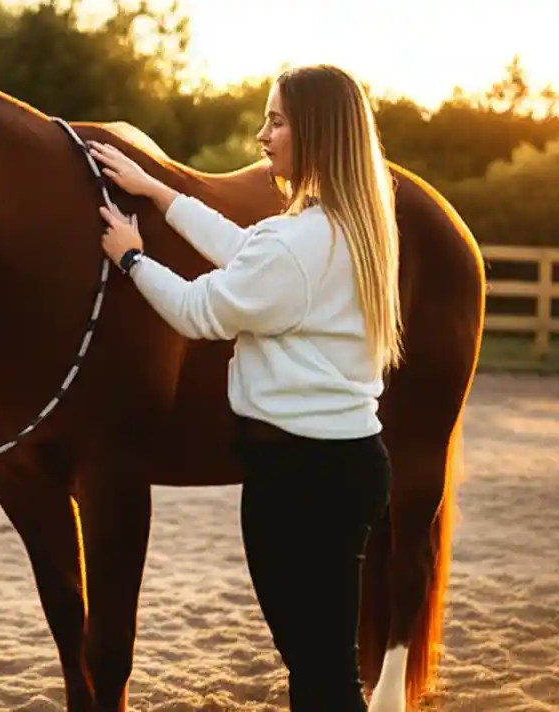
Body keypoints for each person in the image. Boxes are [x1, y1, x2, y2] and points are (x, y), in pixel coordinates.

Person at [89, 64, 398, 710]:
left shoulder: (295, 244)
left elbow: (201, 311)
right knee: (322, 663)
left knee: (319, 671)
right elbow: (244, 247)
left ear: (314, 133)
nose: (262, 136)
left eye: (277, 121)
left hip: (298, 475)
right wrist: (156, 188)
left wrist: (131, 256)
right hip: (348, 462)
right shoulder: (350, 226)